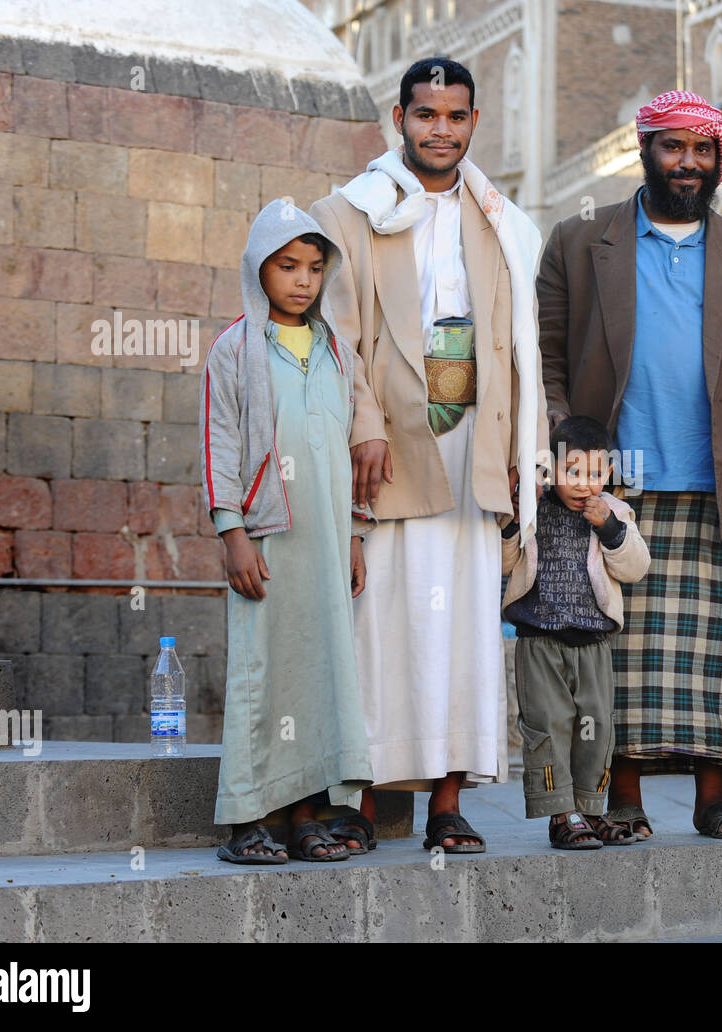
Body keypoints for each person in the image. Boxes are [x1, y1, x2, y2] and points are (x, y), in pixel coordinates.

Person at [536, 89, 722, 840]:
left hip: (720, 487)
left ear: (720, 158)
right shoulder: (579, 241)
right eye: (672, 146)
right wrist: (567, 443)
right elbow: (548, 358)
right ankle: (622, 802)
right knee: (613, 659)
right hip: (612, 486)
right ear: (645, 151)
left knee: (710, 660)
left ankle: (711, 803)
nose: (688, 161)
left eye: (703, 149)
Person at [310, 57, 548, 854]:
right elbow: (336, 336)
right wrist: (363, 424)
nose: (440, 130)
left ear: (474, 122)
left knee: (467, 630)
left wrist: (518, 450)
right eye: (425, 115)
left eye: (454, 116)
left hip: (475, 448)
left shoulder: (501, 221)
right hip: (387, 450)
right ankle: (362, 803)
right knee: (379, 622)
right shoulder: (350, 214)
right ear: (398, 118)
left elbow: (515, 350)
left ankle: (448, 803)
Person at [202, 199, 374, 864]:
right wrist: (231, 532)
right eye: (286, 266)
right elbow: (218, 441)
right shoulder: (235, 348)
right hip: (268, 541)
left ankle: (306, 815)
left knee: (319, 671)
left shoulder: (337, 349)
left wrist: (357, 532)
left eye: (313, 267)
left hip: (329, 541)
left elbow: (354, 447)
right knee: (262, 672)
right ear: (259, 270)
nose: (302, 280)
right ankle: (248, 818)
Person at [500, 416, 651, 849]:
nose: (585, 484)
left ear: (608, 472)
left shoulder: (616, 511)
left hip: (593, 642)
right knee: (549, 724)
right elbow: (506, 561)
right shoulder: (533, 507)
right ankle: (560, 813)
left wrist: (609, 528)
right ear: (550, 470)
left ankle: (589, 809)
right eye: (573, 472)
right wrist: (513, 521)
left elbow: (635, 567)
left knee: (596, 726)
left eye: (595, 473)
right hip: (540, 639)